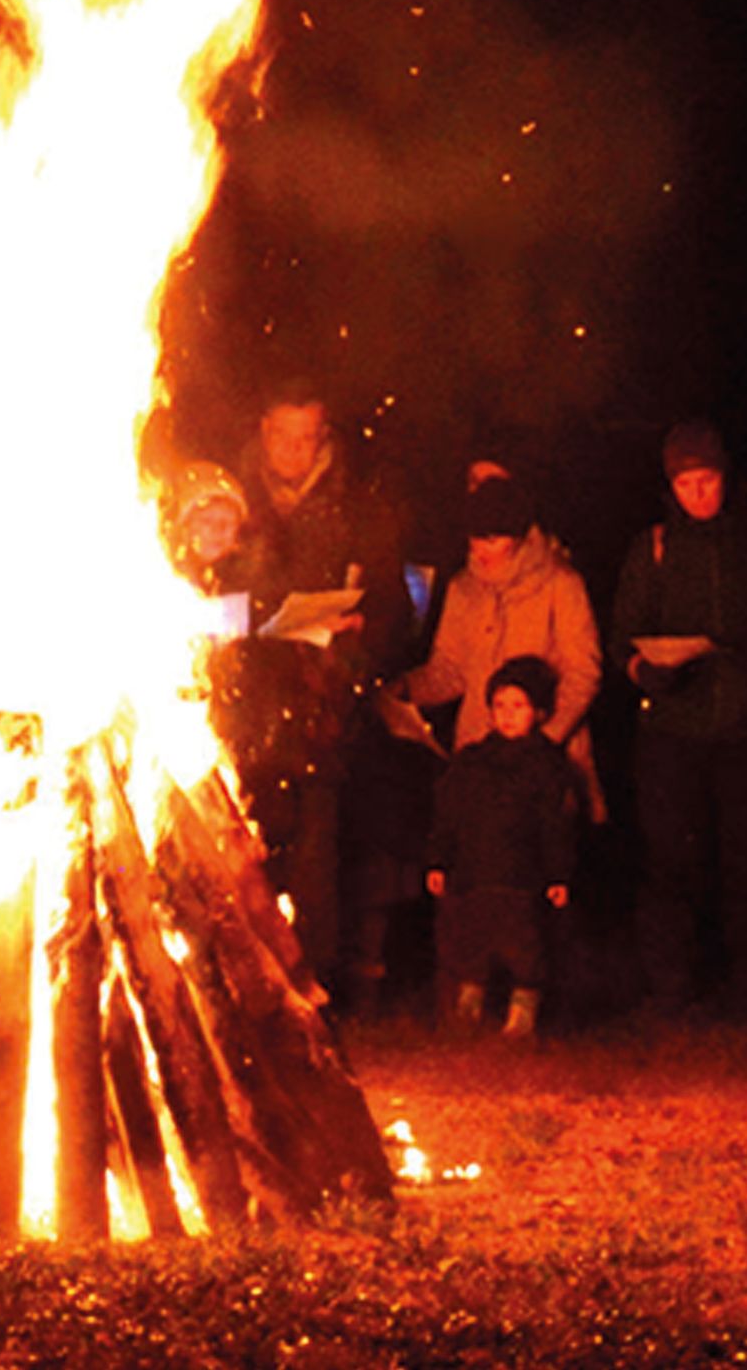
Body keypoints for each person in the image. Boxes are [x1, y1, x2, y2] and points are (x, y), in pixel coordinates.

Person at [230, 384, 411, 987]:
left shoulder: (353, 513)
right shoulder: (232, 505)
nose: (295, 451)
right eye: (284, 436)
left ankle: (311, 989)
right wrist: (267, 624)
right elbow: (206, 602)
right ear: (263, 431)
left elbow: (392, 607)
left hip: (321, 711)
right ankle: (242, 984)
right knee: (246, 853)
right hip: (245, 712)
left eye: (308, 437)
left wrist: (363, 631)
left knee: (317, 856)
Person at [609, 422, 747, 1018]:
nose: (698, 494)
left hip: (742, 728)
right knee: (671, 865)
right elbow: (622, 637)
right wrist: (645, 671)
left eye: (706, 480)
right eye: (685, 483)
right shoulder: (654, 546)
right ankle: (671, 991)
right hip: (672, 731)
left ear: (725, 478)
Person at [405, 474, 606, 825]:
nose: (480, 549)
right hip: (479, 763)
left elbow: (583, 672)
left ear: (518, 536)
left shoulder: (560, 585)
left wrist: (542, 741)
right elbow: (449, 670)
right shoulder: (463, 589)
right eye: (475, 538)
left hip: (547, 767)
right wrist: (403, 692)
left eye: (492, 539)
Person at [427, 656, 583, 1039]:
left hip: (521, 878)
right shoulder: (472, 763)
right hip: (475, 873)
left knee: (524, 947)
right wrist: (438, 861)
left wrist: (558, 875)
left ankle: (522, 1015)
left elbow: (554, 826)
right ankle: (467, 1012)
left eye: (519, 706)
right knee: (472, 943)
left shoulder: (546, 766)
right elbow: (448, 815)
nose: (508, 715)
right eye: (500, 706)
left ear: (539, 712)